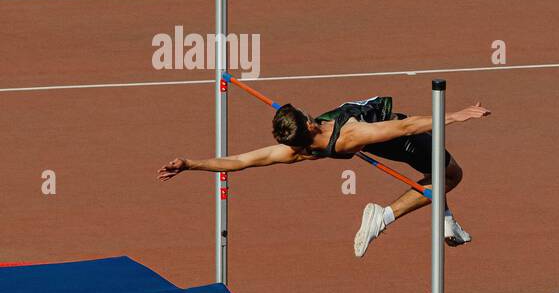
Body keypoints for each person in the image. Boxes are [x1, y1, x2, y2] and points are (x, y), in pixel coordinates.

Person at [157, 94, 490, 256]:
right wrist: (457, 115)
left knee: (436, 176)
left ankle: (447, 222)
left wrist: (189, 163)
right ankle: (382, 216)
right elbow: (404, 126)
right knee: (449, 175)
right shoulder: (349, 135)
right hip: (399, 139)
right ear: (309, 122)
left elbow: (240, 161)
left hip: (380, 134)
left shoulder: (295, 149)